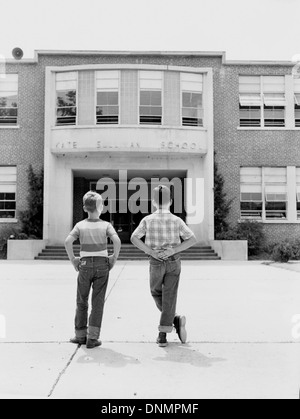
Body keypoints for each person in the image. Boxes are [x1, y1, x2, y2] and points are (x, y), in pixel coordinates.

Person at [131, 185, 197, 347]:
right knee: (170, 295)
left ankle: (164, 333)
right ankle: (171, 321)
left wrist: (151, 252)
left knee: (155, 292)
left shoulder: (148, 220)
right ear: (171, 202)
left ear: (153, 202)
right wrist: (174, 249)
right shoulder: (177, 220)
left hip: (156, 261)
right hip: (174, 260)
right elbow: (192, 239)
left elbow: (134, 238)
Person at [65, 191, 121, 349]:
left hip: (84, 266)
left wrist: (74, 260)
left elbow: (67, 241)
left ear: (84, 208)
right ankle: (92, 338)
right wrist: (113, 258)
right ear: (101, 208)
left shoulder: (80, 225)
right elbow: (116, 240)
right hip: (102, 265)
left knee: (81, 300)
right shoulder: (106, 225)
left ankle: (80, 335)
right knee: (97, 302)